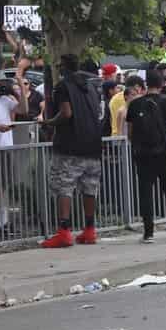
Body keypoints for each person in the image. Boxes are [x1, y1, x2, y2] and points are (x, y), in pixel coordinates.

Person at [43, 55, 106, 247]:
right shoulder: (91, 88)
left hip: (70, 146)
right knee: (90, 188)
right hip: (93, 145)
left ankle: (64, 231)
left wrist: (49, 122)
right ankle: (89, 230)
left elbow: (66, 112)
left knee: (64, 187)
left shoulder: (62, 87)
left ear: (63, 67)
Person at [125, 73, 166, 241]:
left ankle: (148, 232)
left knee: (145, 192)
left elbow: (130, 133)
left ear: (146, 85)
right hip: (164, 153)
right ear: (161, 86)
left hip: (142, 155)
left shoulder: (134, 104)